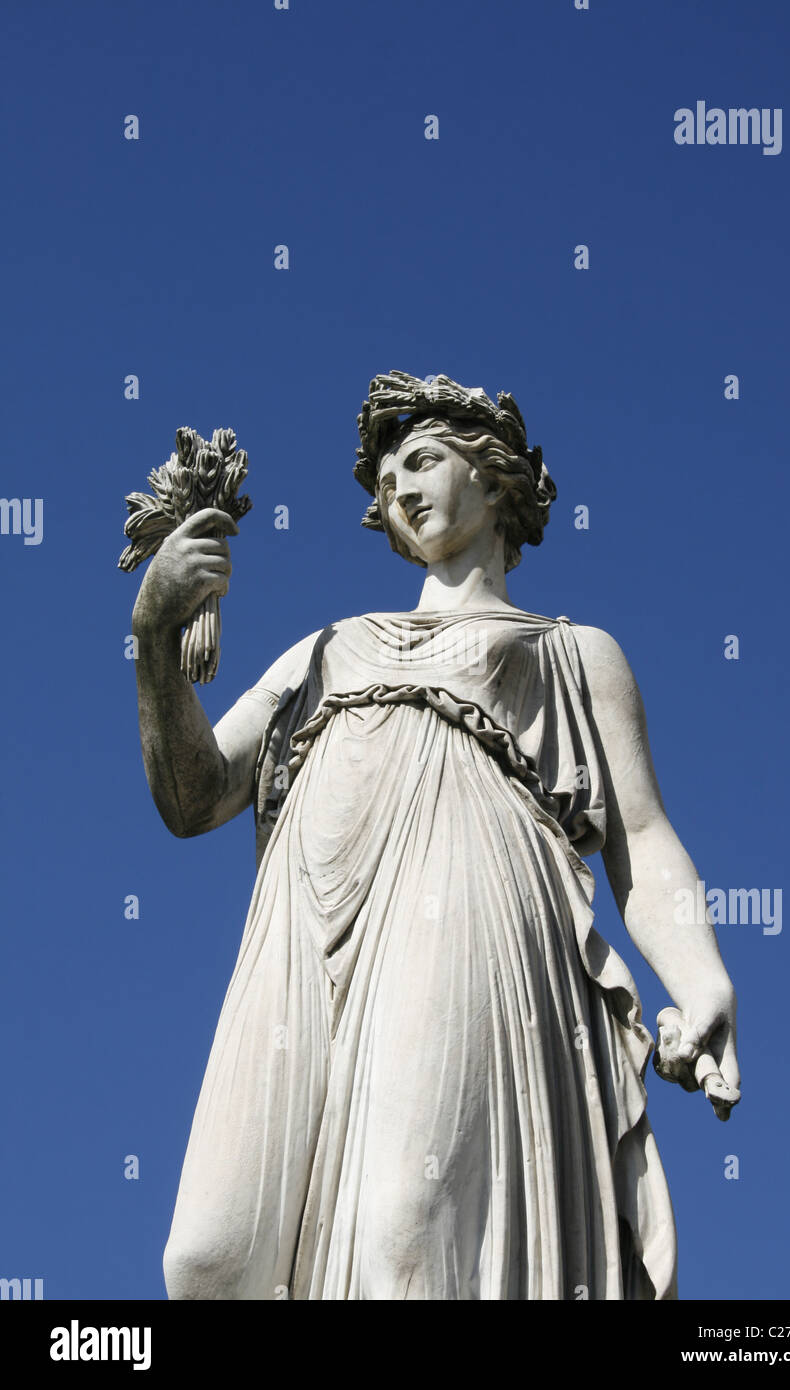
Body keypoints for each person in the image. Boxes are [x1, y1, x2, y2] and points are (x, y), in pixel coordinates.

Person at [131, 370, 739, 1300]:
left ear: (493, 479)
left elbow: (643, 838)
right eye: (383, 484)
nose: (399, 491)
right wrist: (155, 637)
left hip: (467, 908)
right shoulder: (328, 647)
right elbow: (194, 794)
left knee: (405, 1236)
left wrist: (701, 980)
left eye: (422, 462)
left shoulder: (571, 652)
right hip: (302, 923)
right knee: (208, 1257)